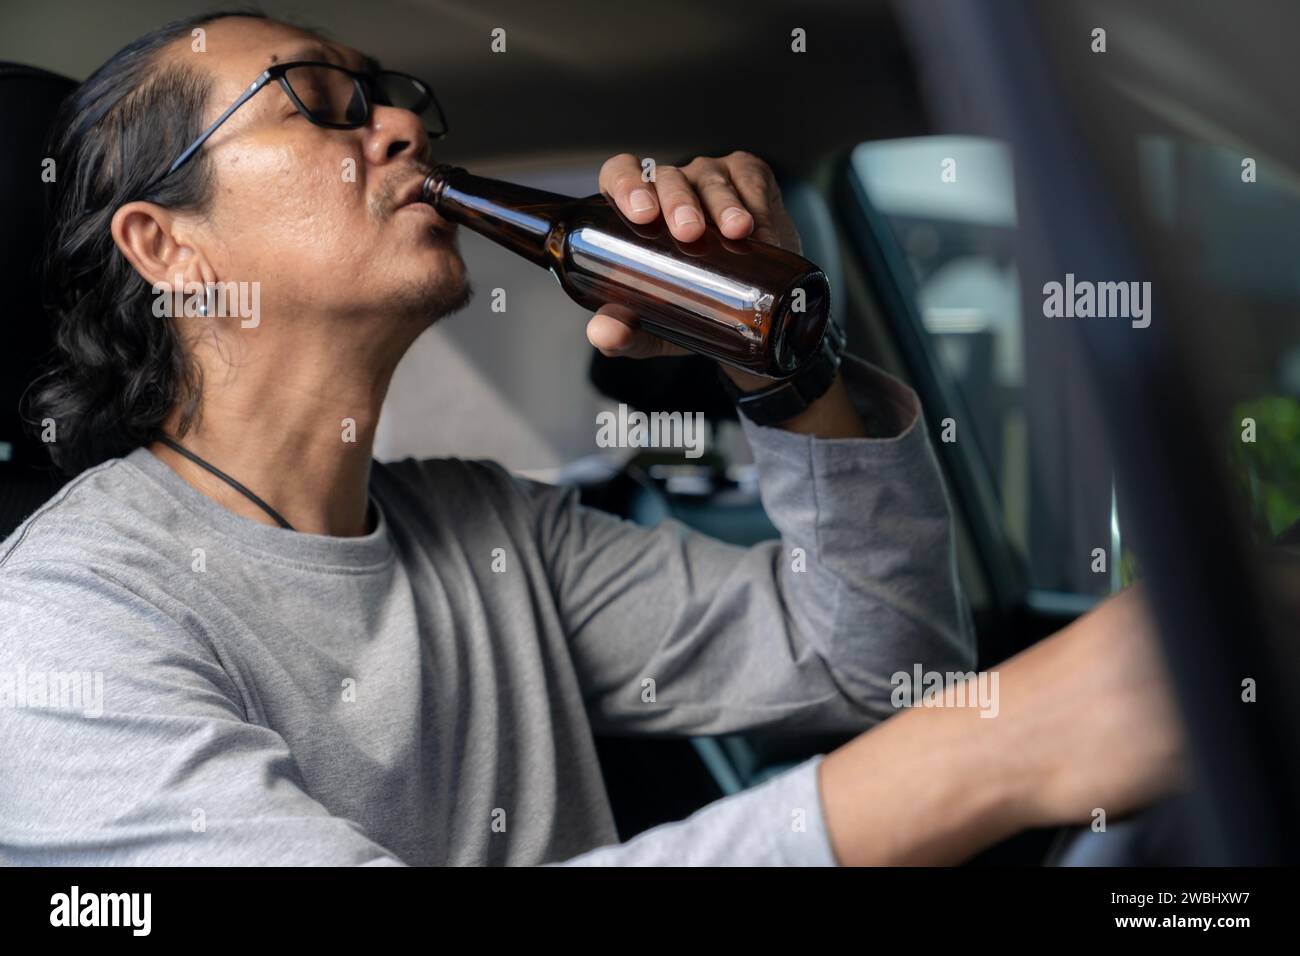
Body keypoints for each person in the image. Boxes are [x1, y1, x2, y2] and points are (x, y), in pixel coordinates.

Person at [0, 11, 1183, 865]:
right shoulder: (67, 616)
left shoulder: (490, 524)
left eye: (396, 94)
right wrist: (997, 753)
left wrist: (778, 363)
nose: (404, 123)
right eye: (323, 102)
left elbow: (874, 664)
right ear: (165, 247)